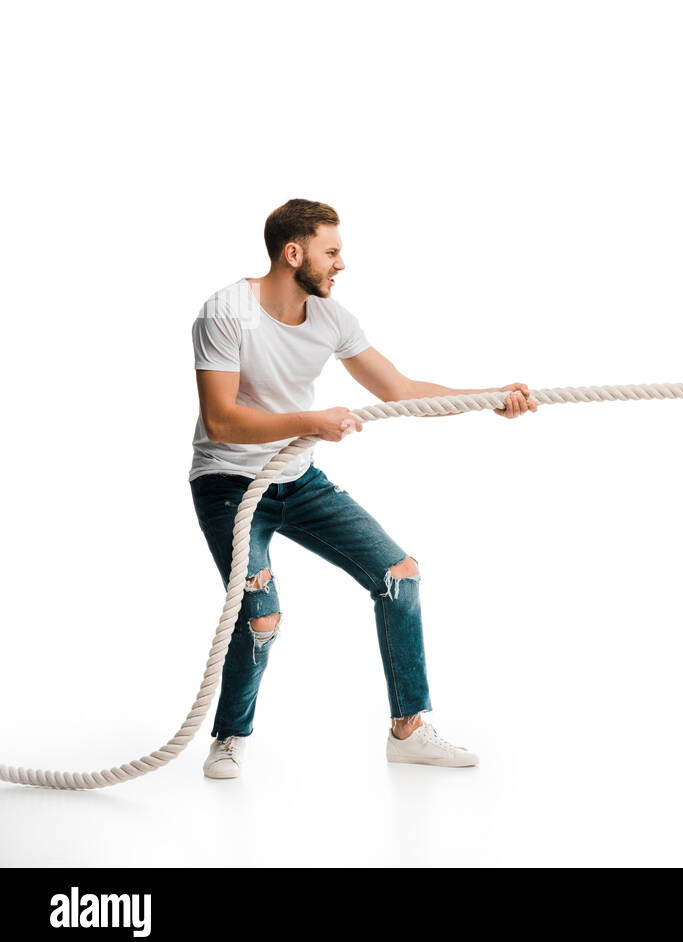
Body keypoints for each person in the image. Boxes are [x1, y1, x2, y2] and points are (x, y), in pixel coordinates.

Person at [190, 198, 537, 779]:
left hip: (296, 478)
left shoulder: (331, 318)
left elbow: (399, 391)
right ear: (293, 253)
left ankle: (408, 729)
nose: (341, 263)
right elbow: (222, 420)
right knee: (260, 619)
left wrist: (488, 398)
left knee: (398, 575)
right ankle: (229, 737)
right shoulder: (225, 312)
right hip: (228, 483)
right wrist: (311, 420)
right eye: (332, 251)